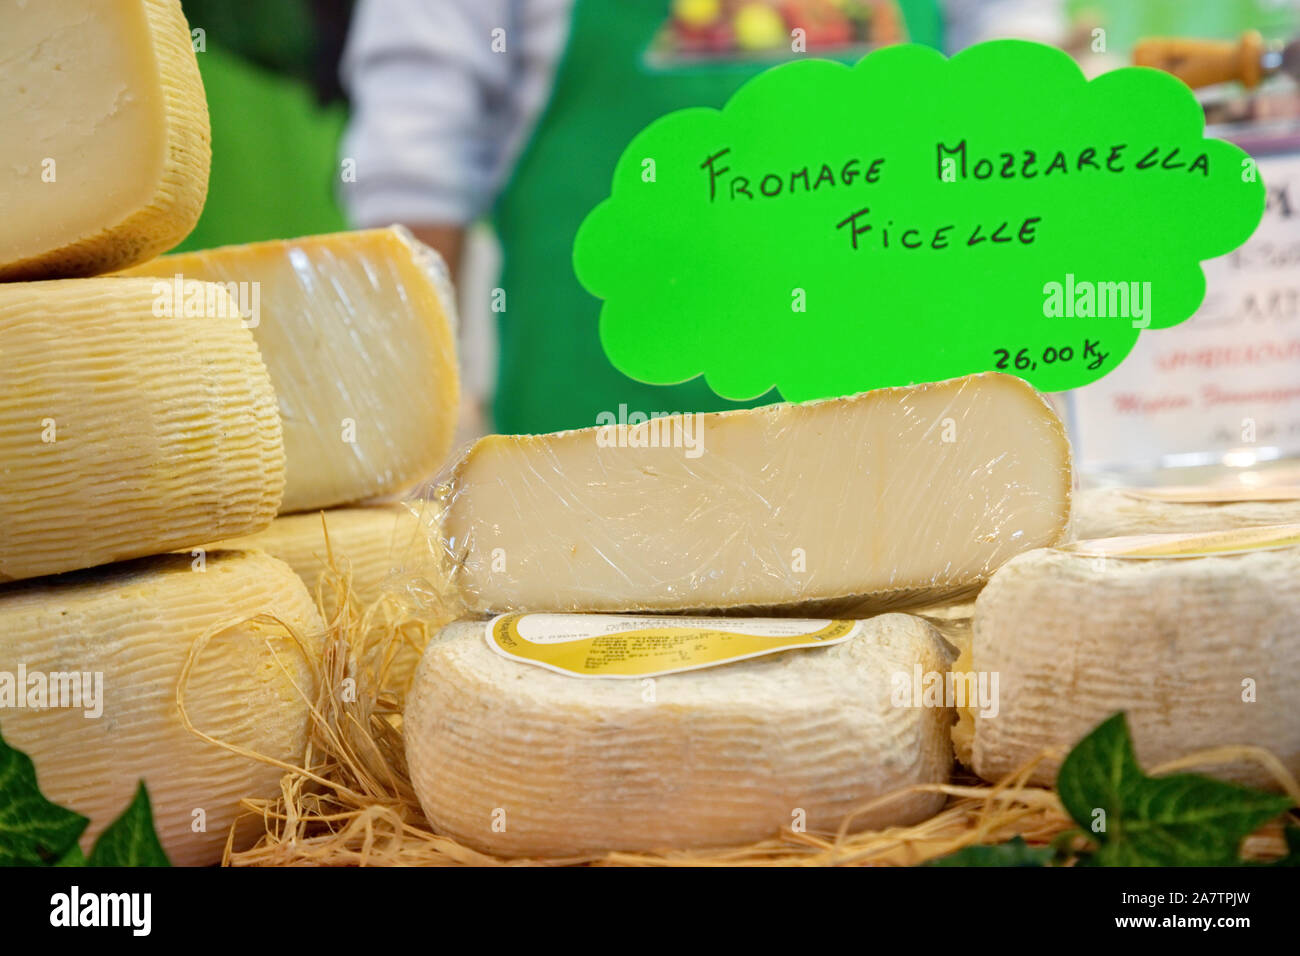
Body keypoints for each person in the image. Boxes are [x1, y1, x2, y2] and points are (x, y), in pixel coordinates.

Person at [339, 0, 946, 435]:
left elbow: (1016, 75)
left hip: (905, 440)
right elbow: (413, 166)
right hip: (593, 449)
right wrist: (402, 433)